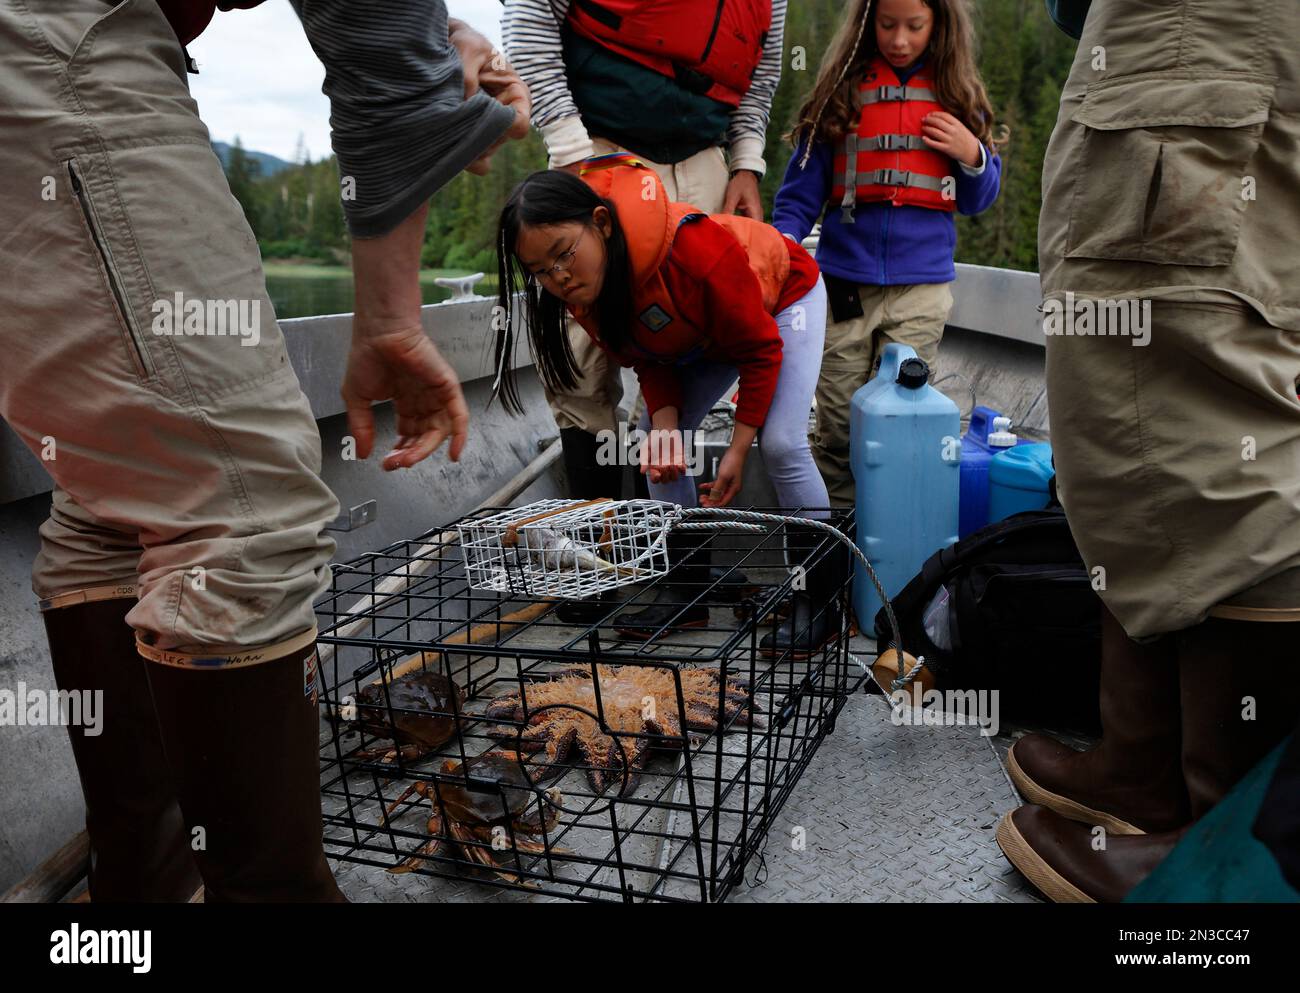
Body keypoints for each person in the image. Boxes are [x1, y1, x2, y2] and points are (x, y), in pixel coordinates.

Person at [0, 0, 527, 901]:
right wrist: (394, 321)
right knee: (243, 509)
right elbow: (377, 30)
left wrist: (432, 48)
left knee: (119, 497)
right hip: (56, 37)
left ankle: (138, 902)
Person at [995, 0, 1300, 902]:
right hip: (1212, 38)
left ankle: (1229, 853)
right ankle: (1149, 773)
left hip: (1199, 31)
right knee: (1179, 398)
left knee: (1187, 400)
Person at [492, 153, 845, 656]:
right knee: (655, 445)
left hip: (784, 298)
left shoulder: (694, 249)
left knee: (784, 442)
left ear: (601, 223)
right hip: (705, 333)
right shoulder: (585, 295)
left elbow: (759, 349)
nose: (558, 276)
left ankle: (820, 599)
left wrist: (738, 451)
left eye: (564, 253)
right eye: (540, 270)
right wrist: (663, 426)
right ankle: (687, 589)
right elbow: (649, 358)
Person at [501, 0, 787, 500]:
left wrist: (746, 161)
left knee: (688, 345)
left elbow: (761, 66)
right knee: (583, 365)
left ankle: (664, 538)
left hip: (703, 156)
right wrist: (570, 152)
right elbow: (527, 20)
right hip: (596, 150)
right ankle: (598, 538)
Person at [773, 0, 1003, 507]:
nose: (900, 40)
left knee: (901, 416)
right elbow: (799, 194)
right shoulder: (840, 95)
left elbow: (979, 198)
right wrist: (782, 244)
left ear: (938, 26)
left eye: (915, 27)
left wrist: (973, 155)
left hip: (920, 291)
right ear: (867, 22)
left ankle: (892, 537)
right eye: (887, 25)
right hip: (844, 288)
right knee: (836, 422)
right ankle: (840, 538)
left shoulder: (958, 98)